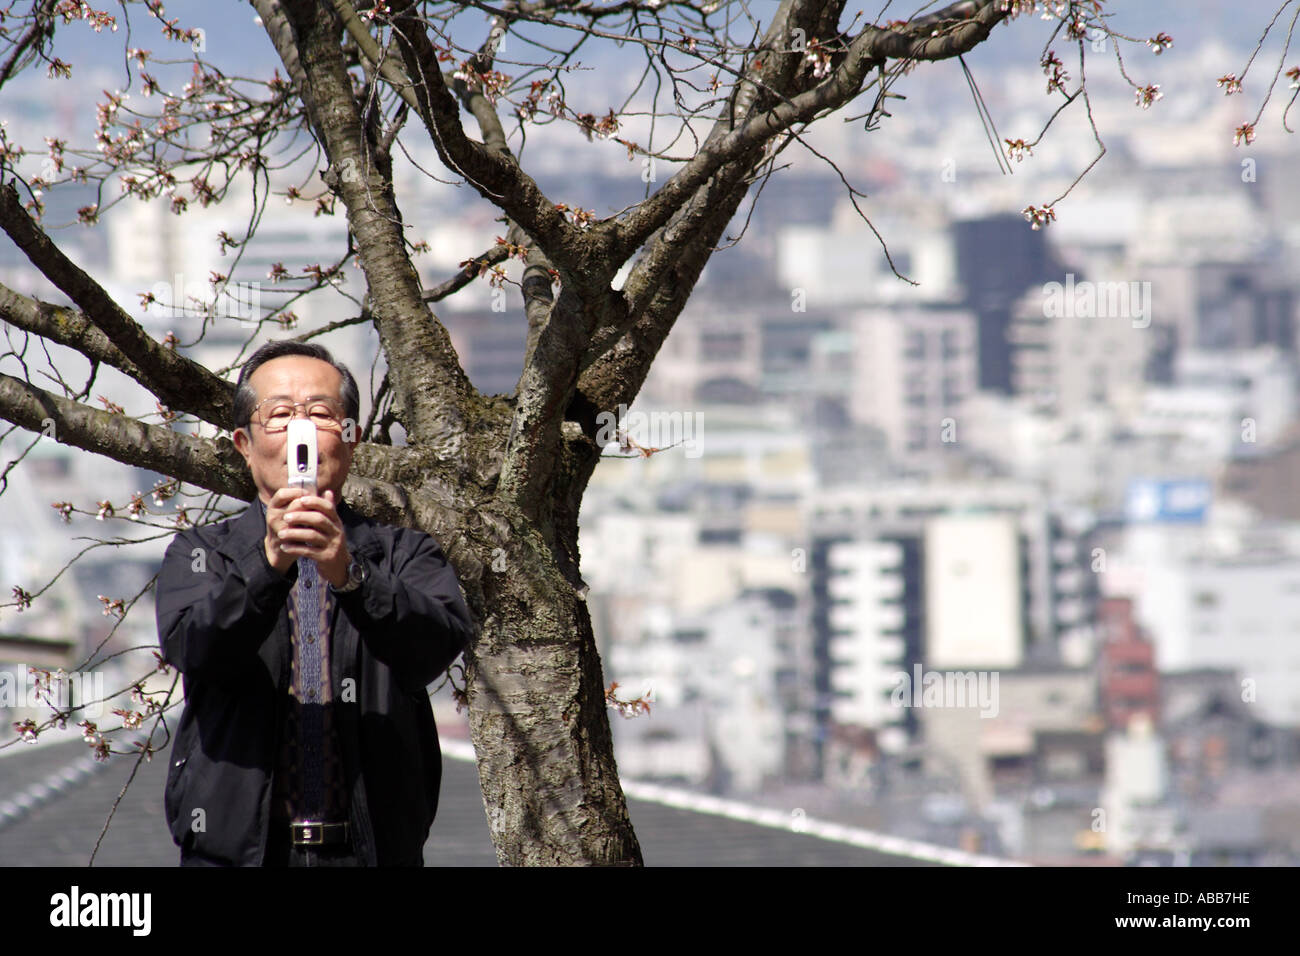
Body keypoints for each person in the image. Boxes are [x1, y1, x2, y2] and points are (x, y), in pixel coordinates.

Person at [155, 341, 473, 866]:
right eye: (280, 415)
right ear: (244, 443)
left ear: (350, 439)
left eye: (321, 415)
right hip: (241, 855)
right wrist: (267, 564)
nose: (301, 430)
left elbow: (434, 648)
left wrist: (351, 575)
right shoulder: (202, 553)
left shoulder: (403, 552)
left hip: (370, 853)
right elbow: (197, 650)